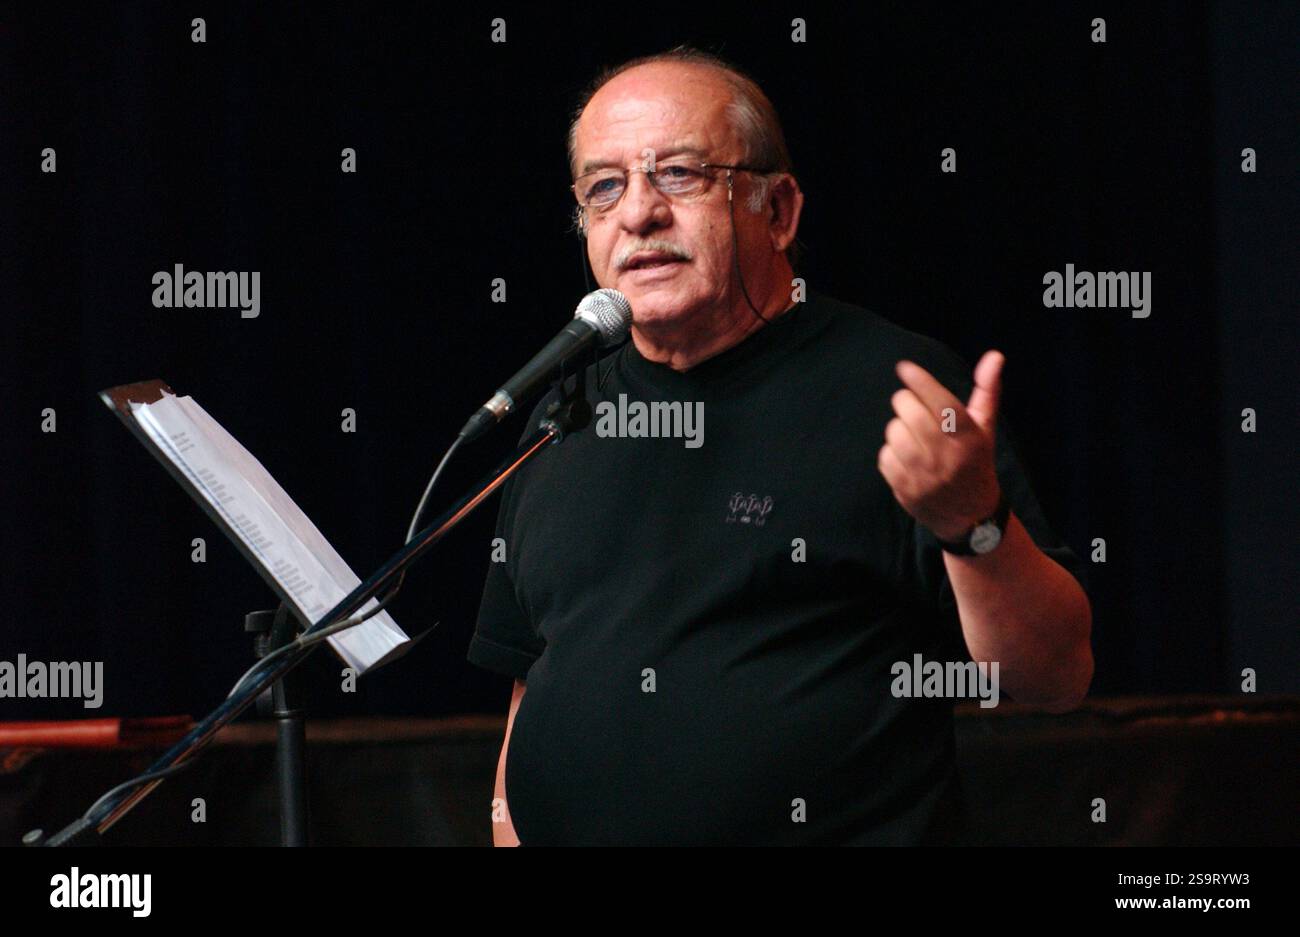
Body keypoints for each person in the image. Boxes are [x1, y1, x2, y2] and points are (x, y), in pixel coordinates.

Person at [467, 46, 1093, 845]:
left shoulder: (894, 390)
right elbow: (535, 686)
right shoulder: (563, 410)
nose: (638, 213)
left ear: (780, 209)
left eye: (681, 174)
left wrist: (974, 523)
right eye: (604, 186)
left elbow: (1053, 678)